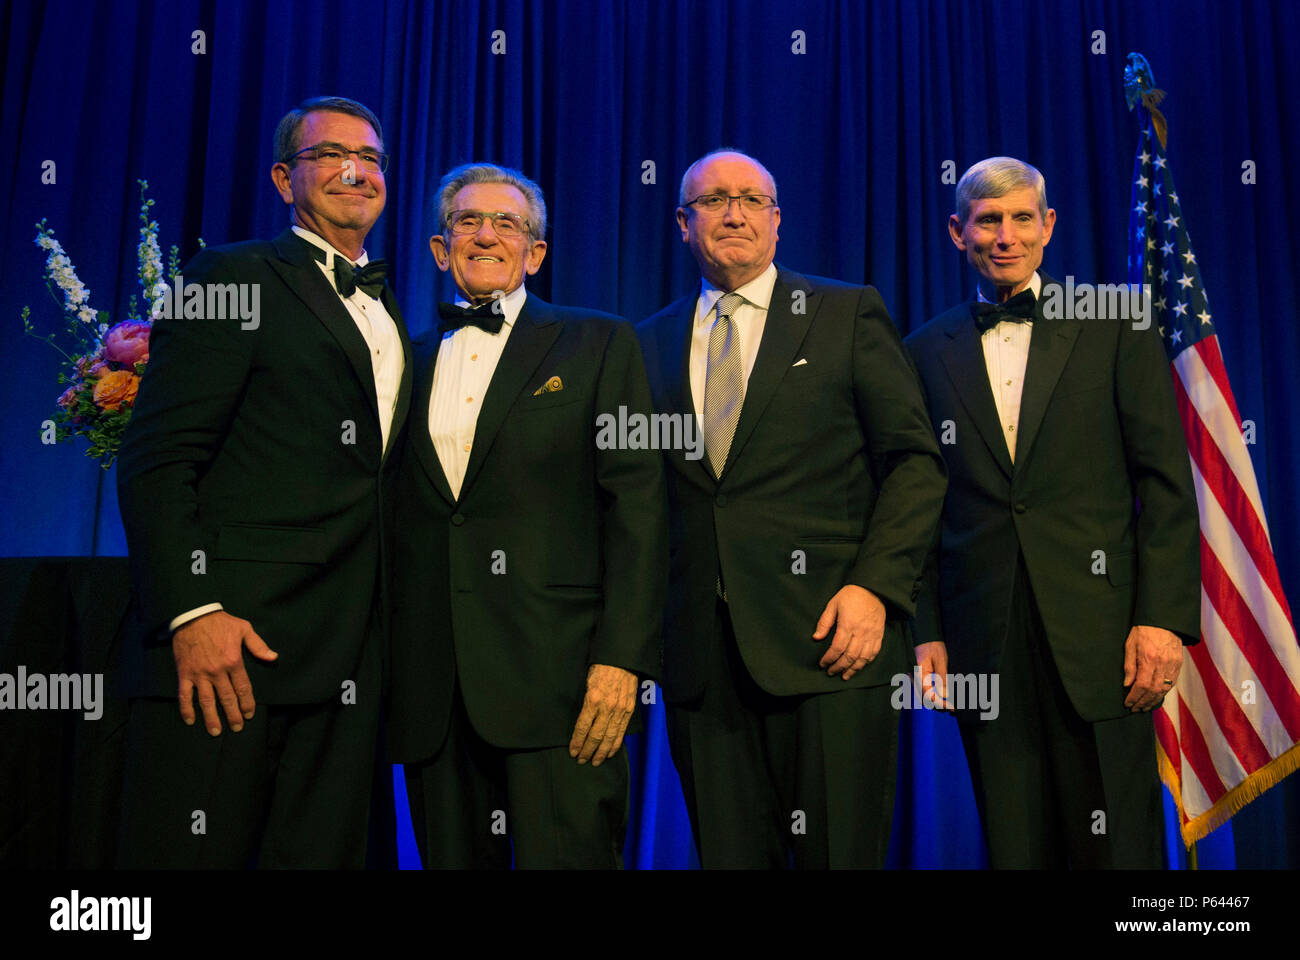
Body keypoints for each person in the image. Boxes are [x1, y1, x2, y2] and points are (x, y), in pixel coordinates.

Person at [116, 96, 411, 868]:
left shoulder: (389, 306)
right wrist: (191, 610)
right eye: (330, 155)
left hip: (352, 660)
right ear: (285, 179)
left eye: (371, 157)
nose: (356, 170)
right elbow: (156, 457)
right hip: (233, 651)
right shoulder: (231, 274)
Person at [636, 149, 947, 868]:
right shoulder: (646, 342)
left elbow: (914, 463)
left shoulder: (845, 312)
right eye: (713, 201)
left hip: (832, 647)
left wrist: (876, 588)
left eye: (752, 199)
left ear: (778, 221)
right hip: (702, 665)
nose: (734, 213)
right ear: (683, 224)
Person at [903, 156, 1200, 868]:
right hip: (984, 641)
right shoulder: (919, 351)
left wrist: (1161, 621)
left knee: (1118, 851)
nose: (1005, 236)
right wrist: (928, 632)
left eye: (1021, 218)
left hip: (1106, 640)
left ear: (1049, 226)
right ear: (957, 231)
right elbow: (916, 501)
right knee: (1014, 848)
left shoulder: (1114, 324)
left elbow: (1163, 484)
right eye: (988, 219)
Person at [387, 163, 667, 869]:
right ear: (438, 248)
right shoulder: (401, 360)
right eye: (468, 221)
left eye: (506, 223)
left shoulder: (599, 342)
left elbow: (639, 511)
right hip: (434, 694)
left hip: (564, 686)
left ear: (536, 253)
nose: (486, 235)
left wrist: (621, 660)